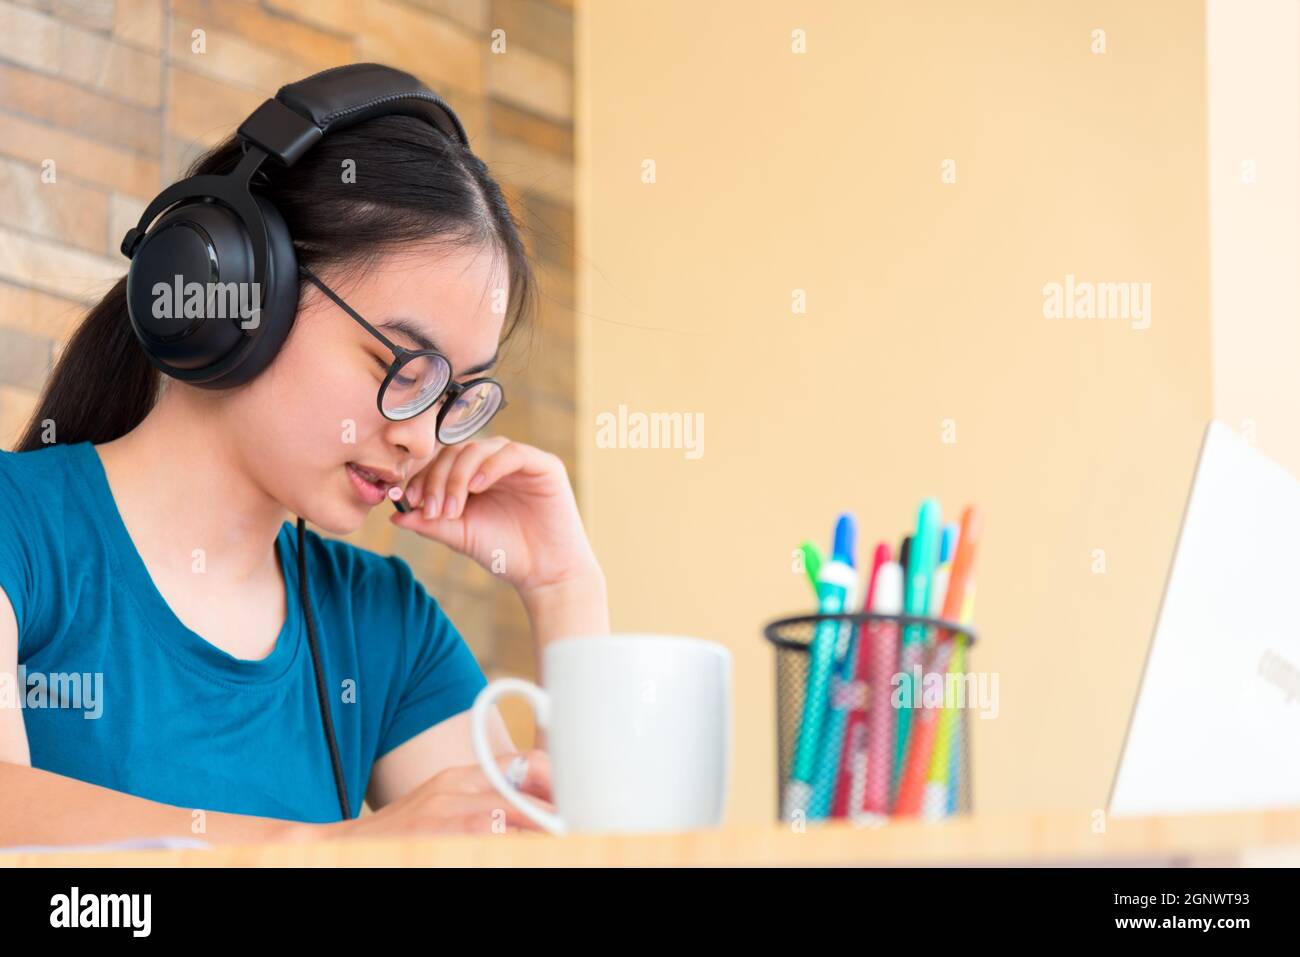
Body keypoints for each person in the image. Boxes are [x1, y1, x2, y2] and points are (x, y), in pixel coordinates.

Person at [0, 72, 608, 846]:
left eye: (451, 394)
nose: (422, 438)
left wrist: (564, 590)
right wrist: (330, 848)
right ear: (238, 288)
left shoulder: (383, 623)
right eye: (403, 365)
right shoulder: (18, 527)